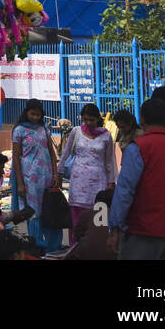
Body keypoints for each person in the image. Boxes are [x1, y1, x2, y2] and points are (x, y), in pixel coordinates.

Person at [107, 97, 165, 260]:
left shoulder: (138, 148)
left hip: (143, 231)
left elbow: (125, 191)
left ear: (142, 120)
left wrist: (115, 228)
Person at [57, 103, 117, 242]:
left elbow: (110, 161)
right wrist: (59, 173)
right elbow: (65, 154)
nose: (89, 123)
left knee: (99, 218)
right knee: (76, 221)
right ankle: (75, 250)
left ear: (98, 119)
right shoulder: (76, 132)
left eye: (92, 120)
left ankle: (96, 248)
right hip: (78, 184)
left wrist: (111, 182)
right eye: (86, 119)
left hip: (99, 184)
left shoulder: (106, 135)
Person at [11, 98, 62, 252]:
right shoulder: (19, 130)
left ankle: (53, 246)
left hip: (46, 177)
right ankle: (37, 246)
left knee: (49, 210)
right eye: (33, 114)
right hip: (29, 179)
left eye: (38, 115)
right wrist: (20, 183)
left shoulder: (43, 129)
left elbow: (52, 154)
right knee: (33, 212)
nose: (35, 118)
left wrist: (55, 174)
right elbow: (16, 157)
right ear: (26, 113)